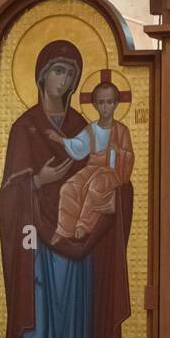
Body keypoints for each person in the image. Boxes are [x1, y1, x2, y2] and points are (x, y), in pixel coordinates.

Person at [0, 40, 134, 338]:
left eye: (70, 74)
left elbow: (116, 186)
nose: (65, 81)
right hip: (34, 256)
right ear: (40, 75)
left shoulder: (85, 127)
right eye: (58, 71)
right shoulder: (24, 129)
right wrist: (41, 182)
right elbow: (8, 198)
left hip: (77, 260)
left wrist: (116, 185)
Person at [44, 80, 136, 245]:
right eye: (101, 103)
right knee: (68, 188)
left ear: (116, 104)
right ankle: (64, 230)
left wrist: (118, 152)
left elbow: (129, 156)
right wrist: (60, 140)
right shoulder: (92, 129)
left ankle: (84, 226)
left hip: (112, 171)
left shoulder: (122, 130)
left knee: (95, 186)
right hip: (93, 167)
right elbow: (78, 145)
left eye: (109, 102)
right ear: (95, 105)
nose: (105, 107)